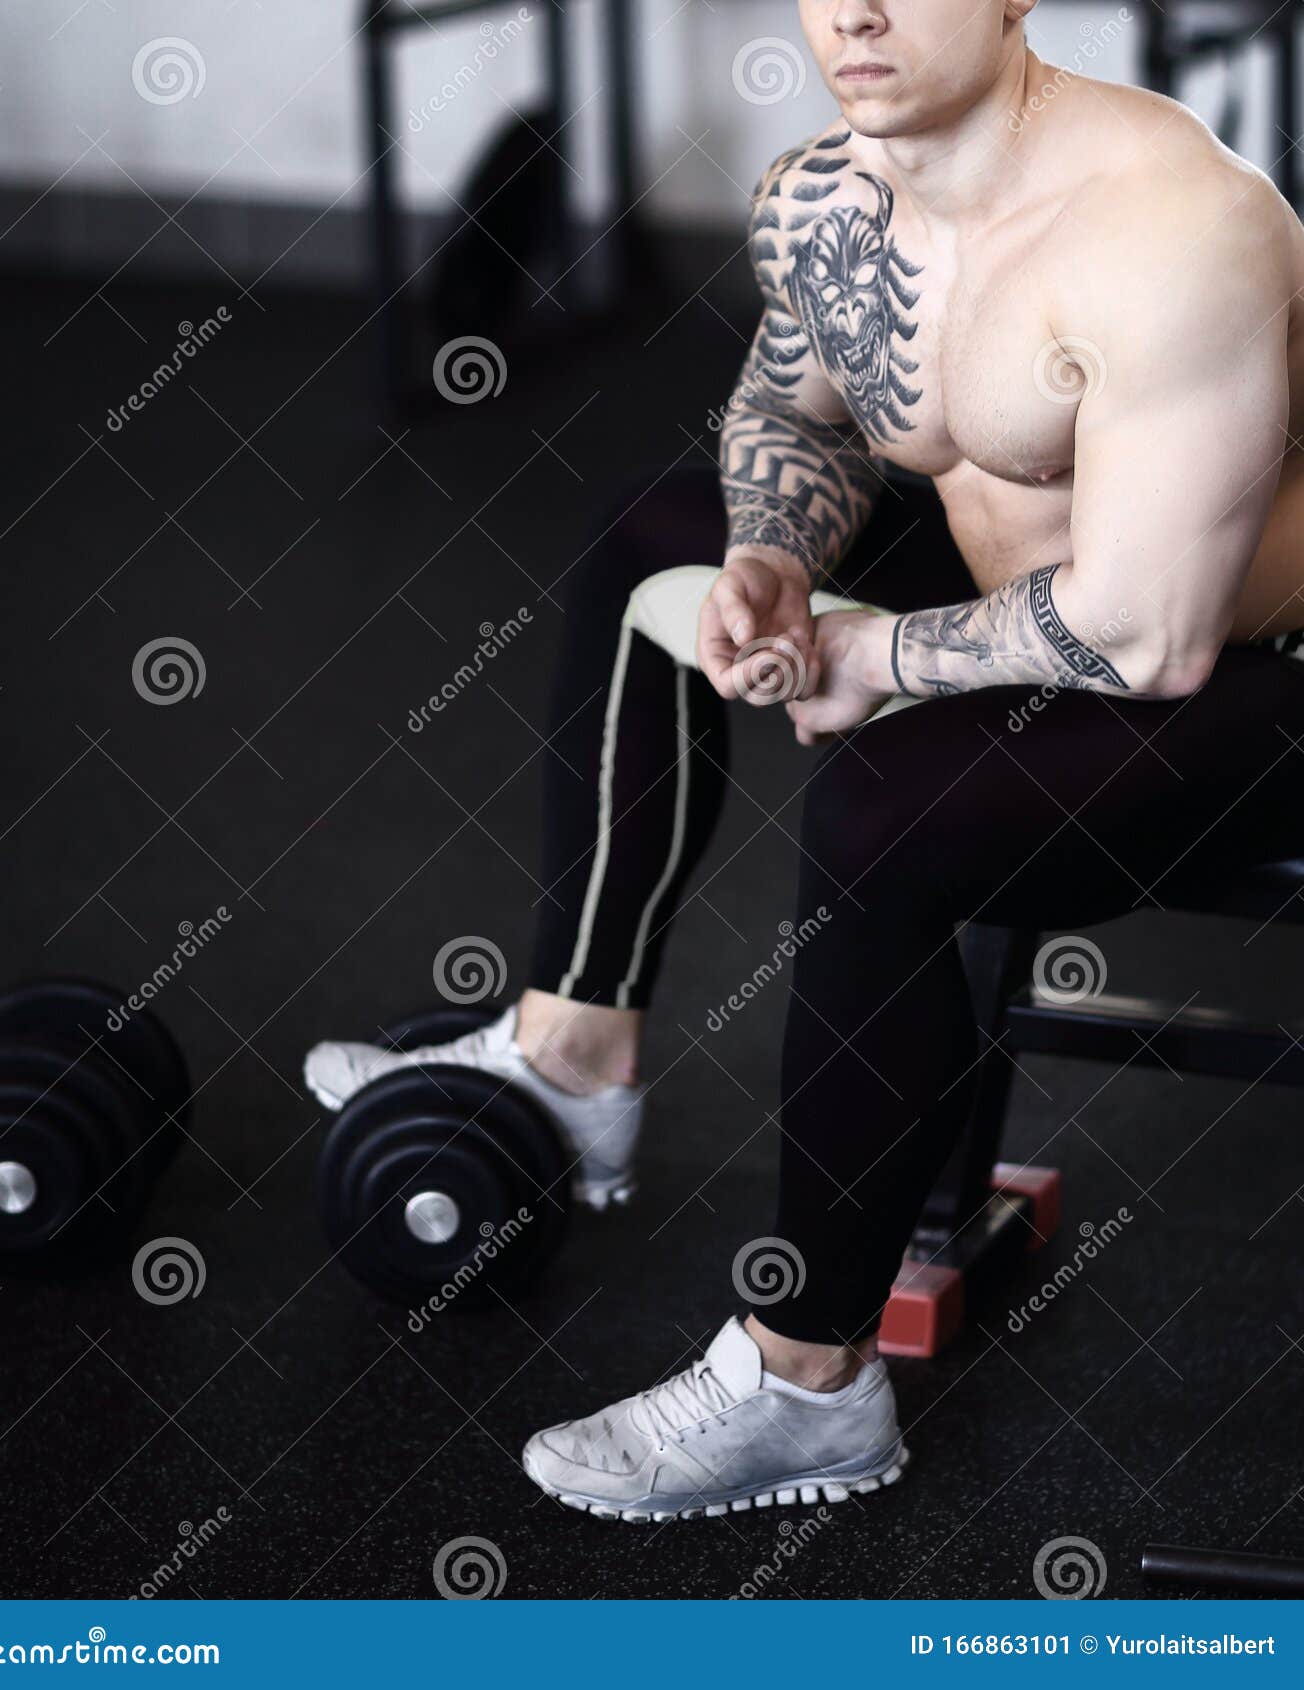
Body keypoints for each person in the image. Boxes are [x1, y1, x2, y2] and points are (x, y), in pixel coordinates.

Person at [306, 0, 1304, 1522]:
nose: (854, 10)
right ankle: (575, 1053)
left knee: (886, 810)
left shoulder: (1177, 227)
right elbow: (798, 406)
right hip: (1053, 597)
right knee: (656, 543)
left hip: (1246, 666)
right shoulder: (826, 194)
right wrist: (775, 556)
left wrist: (865, 657)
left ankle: (806, 1381)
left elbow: (1152, 628)